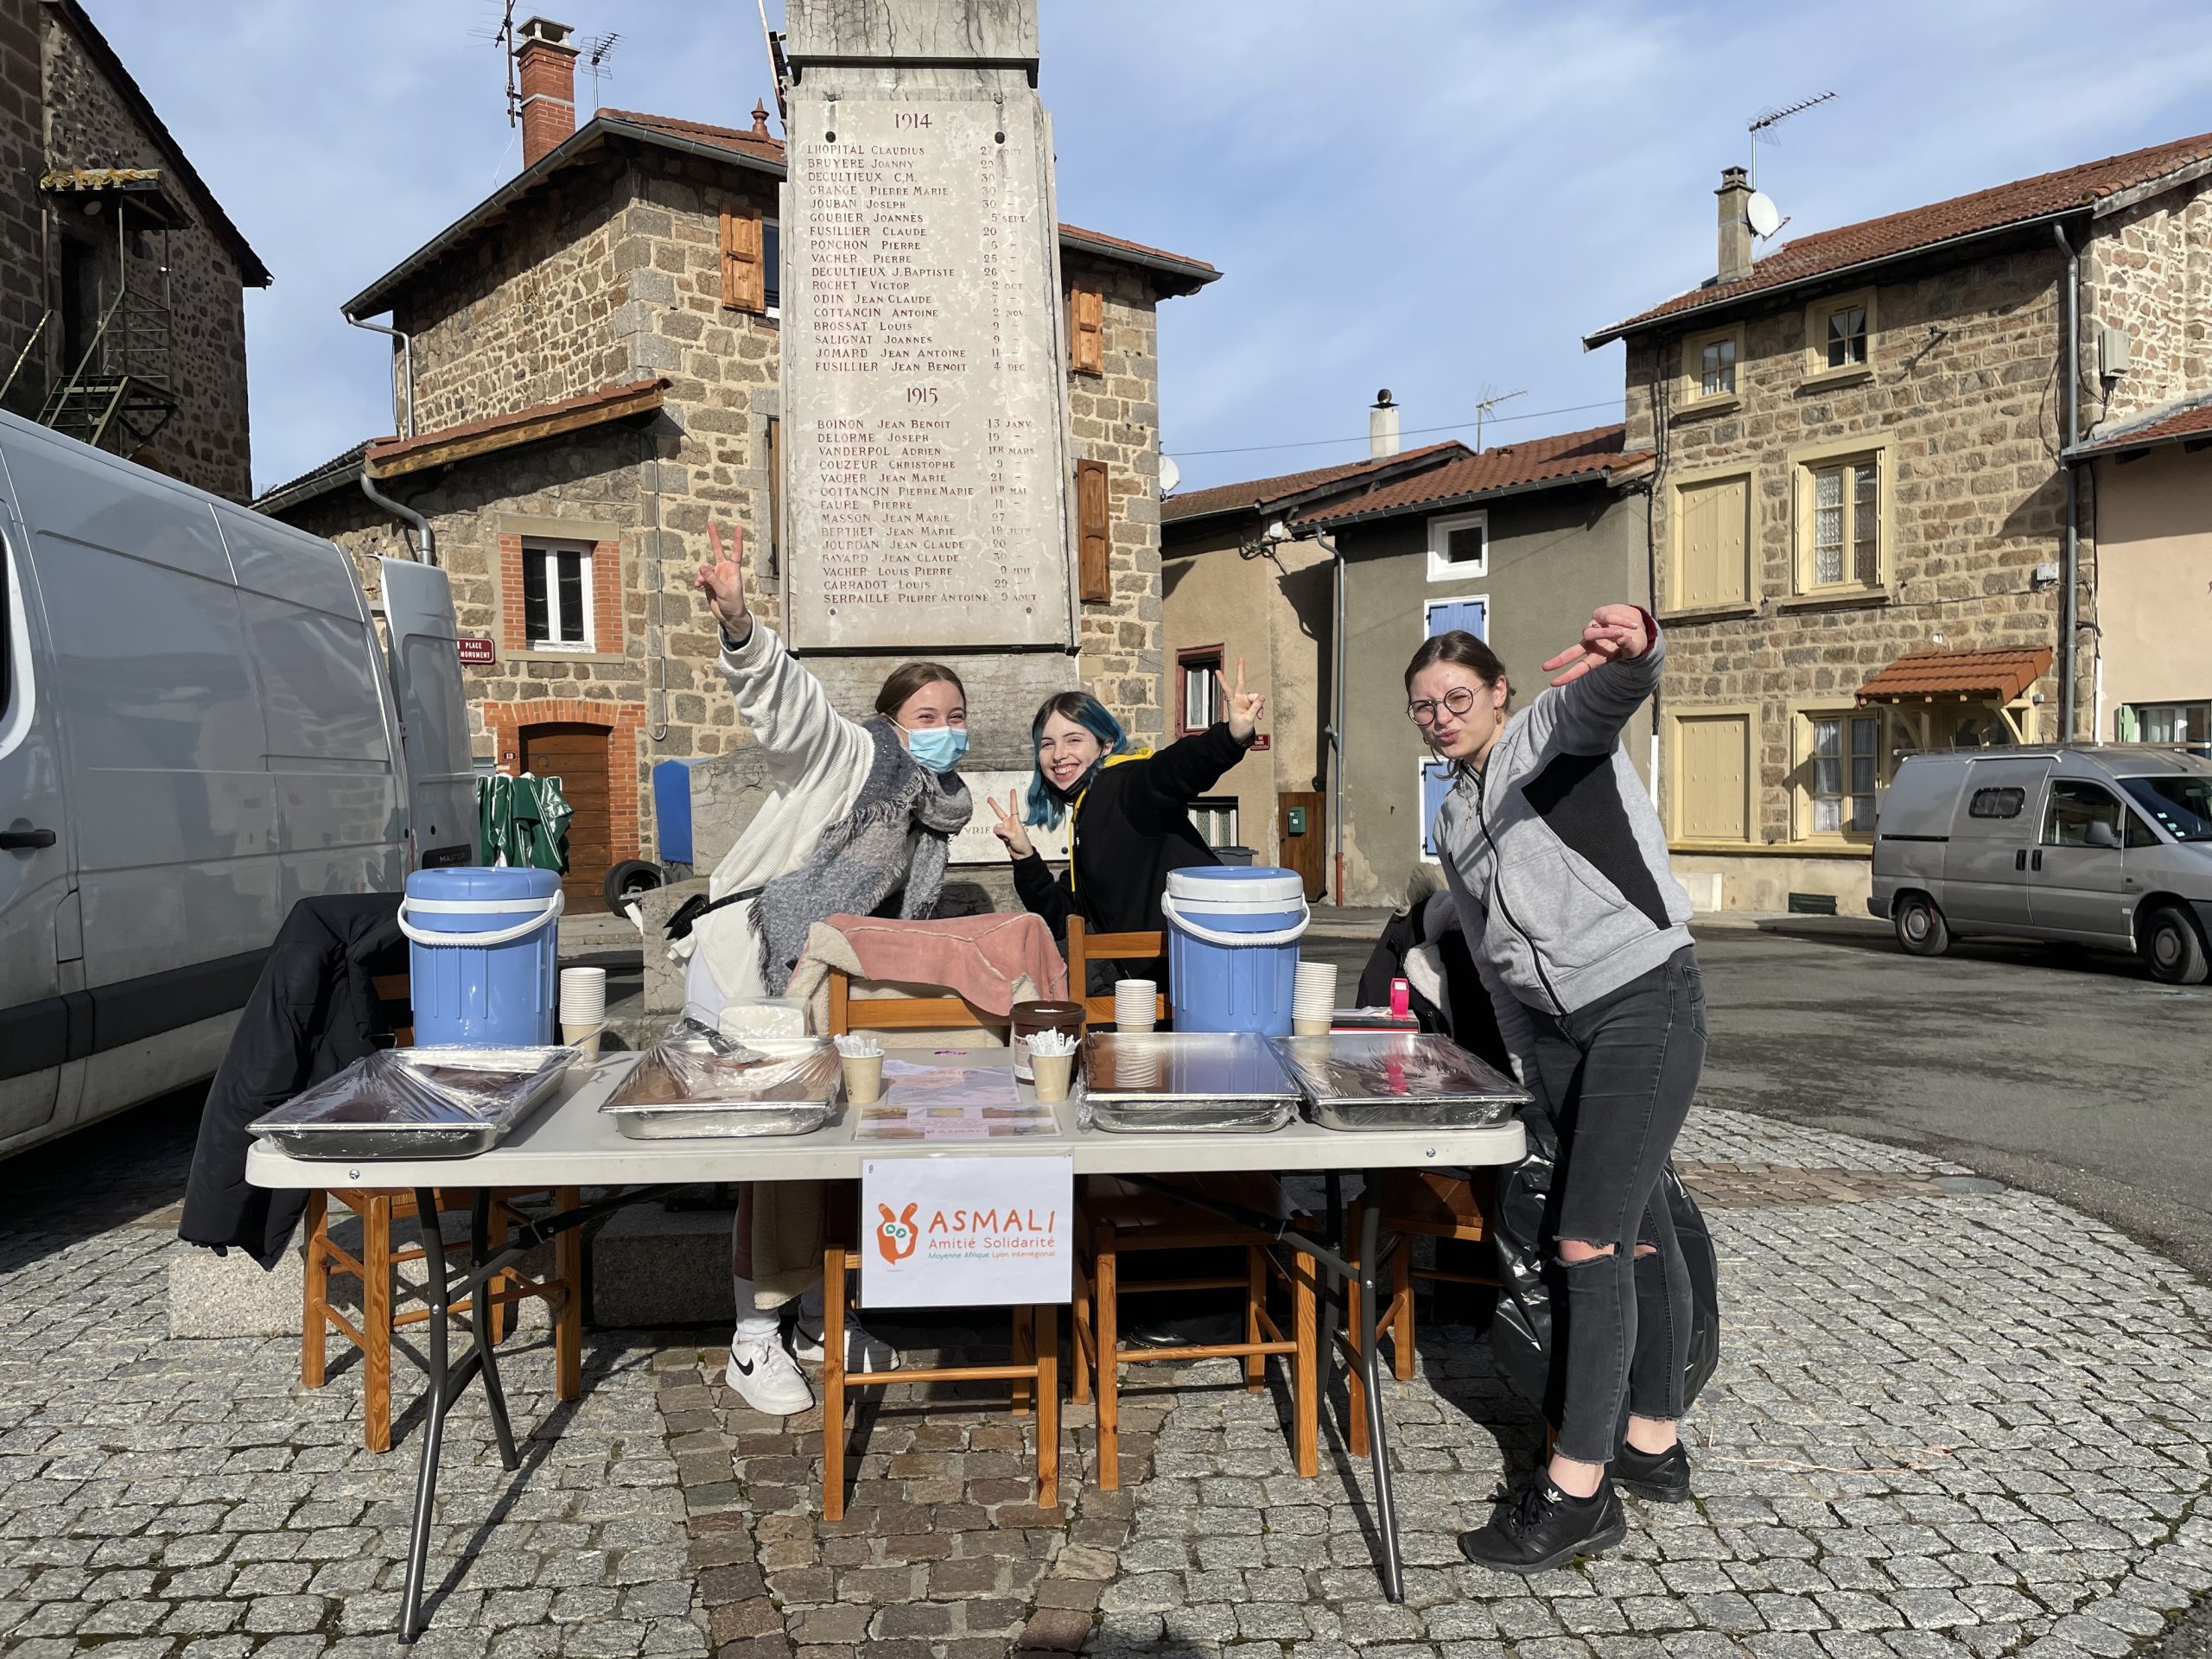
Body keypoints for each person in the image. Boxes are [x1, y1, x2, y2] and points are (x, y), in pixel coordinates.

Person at [1407, 604, 1706, 1574]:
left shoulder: (1546, 733)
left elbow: (1617, 690)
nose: (1443, 717)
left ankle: (1579, 1491)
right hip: (1561, 1032)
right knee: (1638, 1219)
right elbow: (1493, 968)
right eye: (1425, 708)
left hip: (1640, 997)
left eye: (1459, 698)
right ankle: (1652, 1445)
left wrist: (1638, 647)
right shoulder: (1452, 818)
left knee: (1588, 1239)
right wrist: (1534, 1080)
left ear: (1498, 693)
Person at [682, 522, 974, 1416]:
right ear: (892, 723)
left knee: (842, 1157)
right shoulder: (852, 758)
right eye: (928, 718)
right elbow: (790, 707)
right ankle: (752, 1341)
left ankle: (818, 1318)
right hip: (756, 979)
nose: (944, 732)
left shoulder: (938, 810)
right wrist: (742, 627)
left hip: (837, 995)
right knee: (774, 1169)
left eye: (956, 718)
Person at [986, 666, 1264, 983]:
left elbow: (1171, 771)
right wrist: (1024, 857)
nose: (1058, 755)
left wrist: (1230, 737)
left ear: (1105, 746)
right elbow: (1060, 913)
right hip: (1166, 982)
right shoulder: (1086, 811)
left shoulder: (1123, 785)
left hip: (1209, 970)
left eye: (1073, 739)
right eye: (1047, 744)